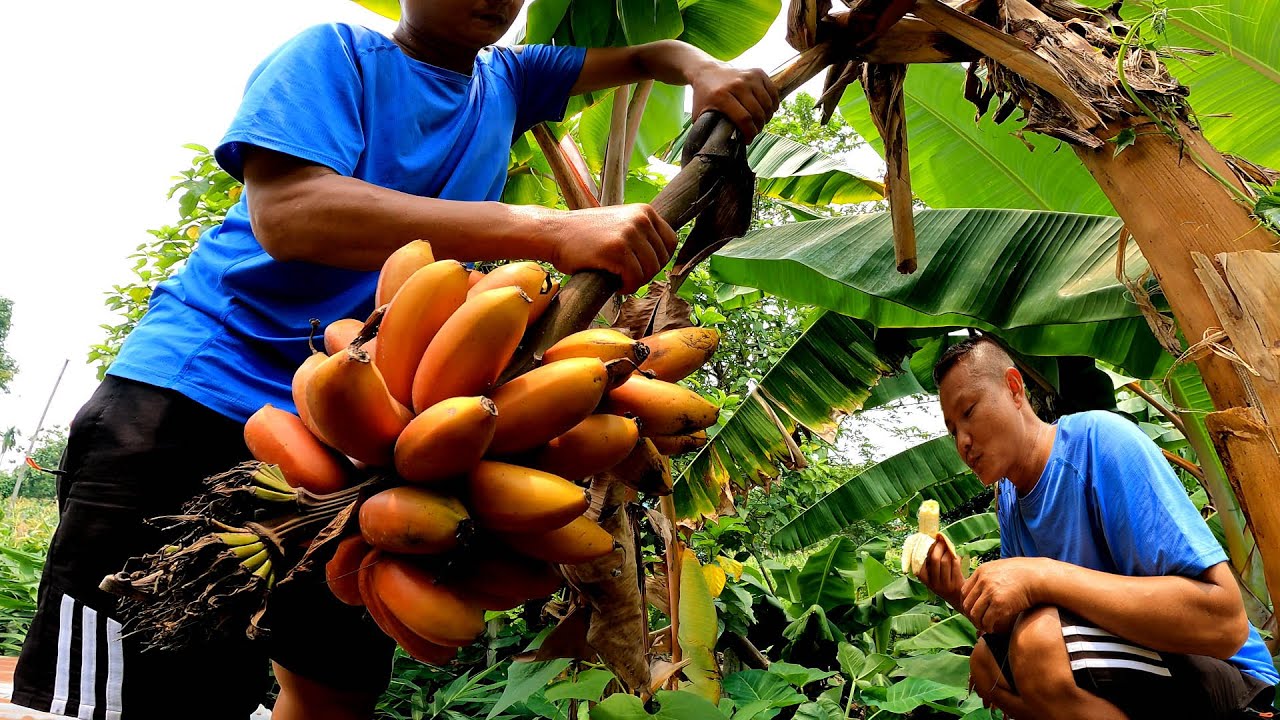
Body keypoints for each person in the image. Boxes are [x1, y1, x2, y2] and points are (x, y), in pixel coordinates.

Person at [12, 1, 780, 718]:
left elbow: (643, 50)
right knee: (122, 694)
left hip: (373, 441)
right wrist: (547, 230)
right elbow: (290, 212)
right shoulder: (334, 54)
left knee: (331, 693)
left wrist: (697, 66)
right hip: (199, 401)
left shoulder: (506, 79)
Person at [916, 336, 1278, 720]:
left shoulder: (1100, 443)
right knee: (986, 666)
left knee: (1039, 642)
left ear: (1014, 388)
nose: (963, 442)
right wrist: (957, 591)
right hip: (1130, 672)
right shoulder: (1009, 497)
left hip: (1230, 679)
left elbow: (1226, 623)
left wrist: (1042, 576)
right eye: (952, 429)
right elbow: (1013, 631)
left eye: (969, 411)